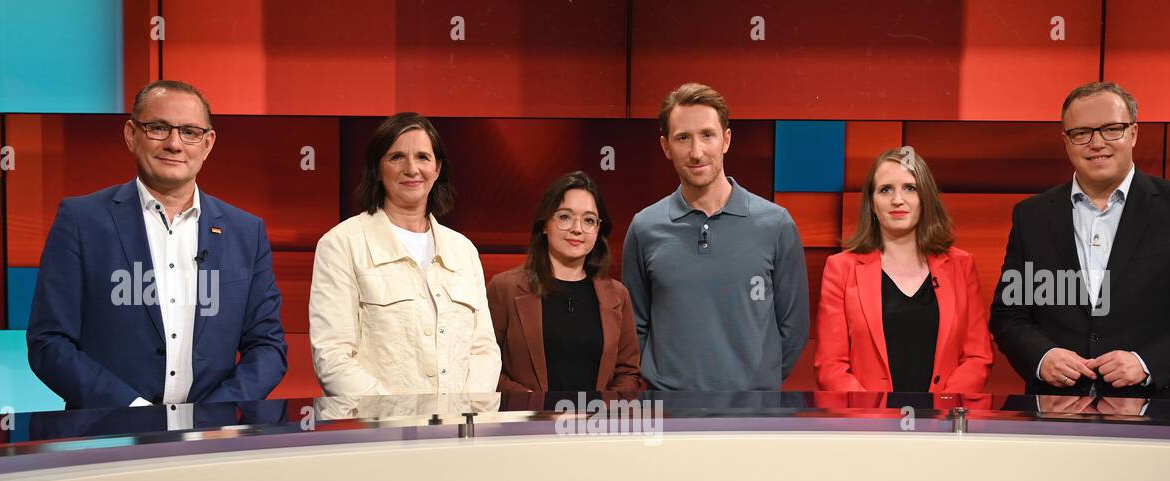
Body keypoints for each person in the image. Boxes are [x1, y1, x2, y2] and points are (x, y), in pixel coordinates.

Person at [27, 79, 287, 414]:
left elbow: (267, 347)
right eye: (159, 128)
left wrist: (211, 415)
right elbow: (49, 343)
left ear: (207, 144)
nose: (174, 144)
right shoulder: (81, 220)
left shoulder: (246, 232)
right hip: (107, 435)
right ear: (131, 135)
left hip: (212, 439)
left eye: (190, 132)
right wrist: (131, 410)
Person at [989, 81, 1170, 400]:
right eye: (1082, 132)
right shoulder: (1032, 216)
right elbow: (1009, 314)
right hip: (1055, 409)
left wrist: (1146, 363)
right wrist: (1042, 358)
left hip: (1158, 409)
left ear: (1134, 133)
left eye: (1111, 129)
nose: (1096, 143)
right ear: (1066, 141)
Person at [622, 83, 809, 390]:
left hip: (753, 414)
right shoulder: (644, 228)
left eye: (707, 135)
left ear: (726, 139)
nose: (697, 152)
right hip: (669, 413)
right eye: (683, 138)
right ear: (666, 147)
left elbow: (794, 328)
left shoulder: (776, 224)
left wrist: (756, 384)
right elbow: (635, 327)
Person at [309, 112, 500, 396]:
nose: (412, 169)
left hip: (460, 432)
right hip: (381, 434)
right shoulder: (341, 245)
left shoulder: (464, 251)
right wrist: (400, 421)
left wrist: (464, 414)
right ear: (377, 168)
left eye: (423, 157)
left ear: (437, 169)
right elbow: (333, 356)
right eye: (397, 157)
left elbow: (484, 350)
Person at [815, 147, 993, 393]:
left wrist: (940, 409)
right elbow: (831, 366)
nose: (898, 199)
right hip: (869, 424)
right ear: (872, 204)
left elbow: (977, 358)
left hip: (941, 423)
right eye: (885, 189)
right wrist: (872, 415)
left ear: (926, 198)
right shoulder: (841, 269)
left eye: (910, 188)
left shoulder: (961, 266)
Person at [486, 171, 643, 393]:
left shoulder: (618, 295)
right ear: (544, 224)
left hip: (596, 425)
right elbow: (484, 366)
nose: (577, 228)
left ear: (598, 230)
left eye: (589, 220)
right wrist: (536, 406)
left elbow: (628, 373)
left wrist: (601, 410)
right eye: (565, 217)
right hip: (528, 423)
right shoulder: (504, 289)